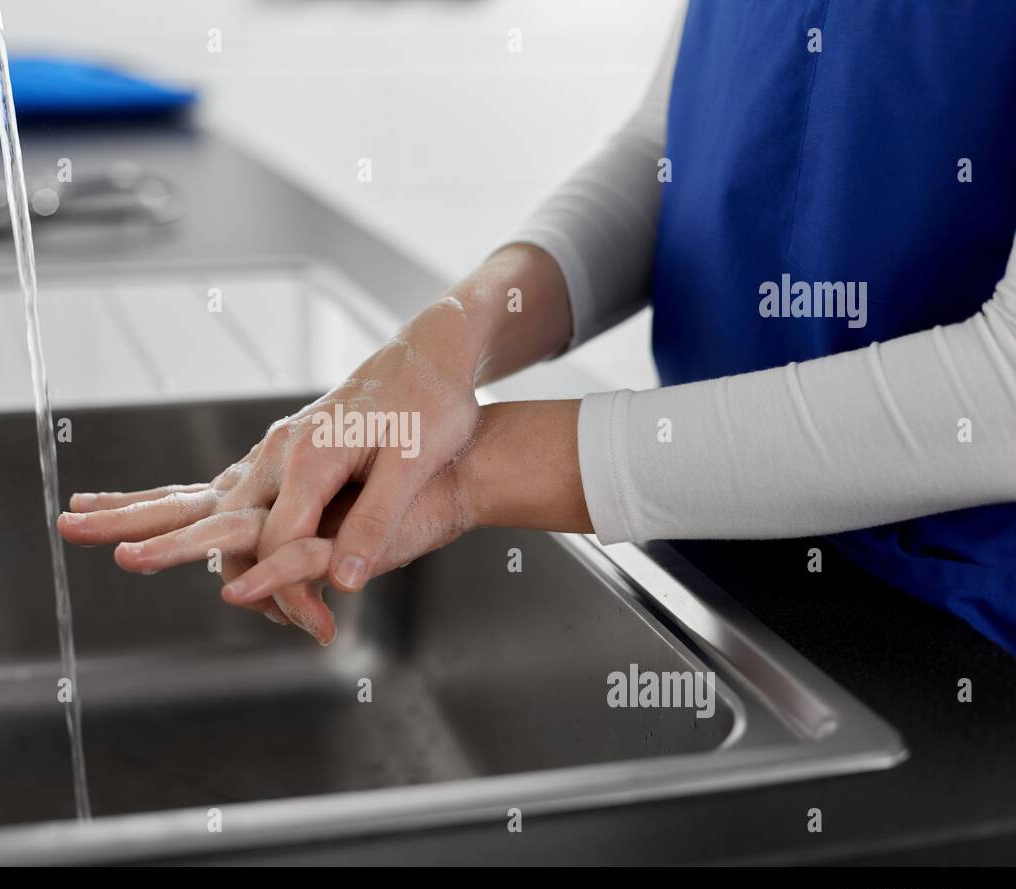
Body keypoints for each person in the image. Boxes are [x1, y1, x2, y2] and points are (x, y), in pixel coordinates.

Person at [58, 1, 1016, 654]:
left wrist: (472, 468)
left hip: (962, 626)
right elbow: (671, 148)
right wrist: (448, 337)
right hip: (725, 544)